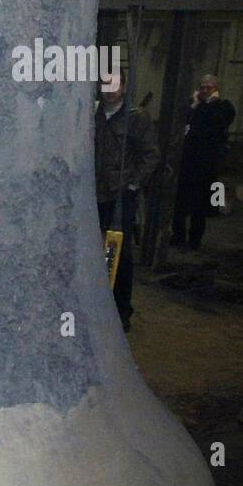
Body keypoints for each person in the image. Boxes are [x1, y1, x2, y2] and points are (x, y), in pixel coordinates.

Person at [94, 65, 160, 331]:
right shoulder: (95, 114)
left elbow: (151, 155)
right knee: (92, 251)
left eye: (114, 85)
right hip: (93, 194)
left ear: (123, 87)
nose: (109, 91)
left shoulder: (136, 117)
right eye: (105, 85)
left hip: (119, 195)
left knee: (118, 254)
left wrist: (133, 184)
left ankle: (121, 311)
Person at [172, 74, 236, 250]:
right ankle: (177, 236)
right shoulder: (194, 105)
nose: (205, 91)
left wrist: (207, 104)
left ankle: (194, 240)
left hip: (206, 164)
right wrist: (194, 104)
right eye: (202, 87)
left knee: (199, 205)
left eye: (209, 87)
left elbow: (216, 123)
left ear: (216, 89)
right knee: (180, 203)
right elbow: (180, 119)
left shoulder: (224, 107)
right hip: (187, 161)